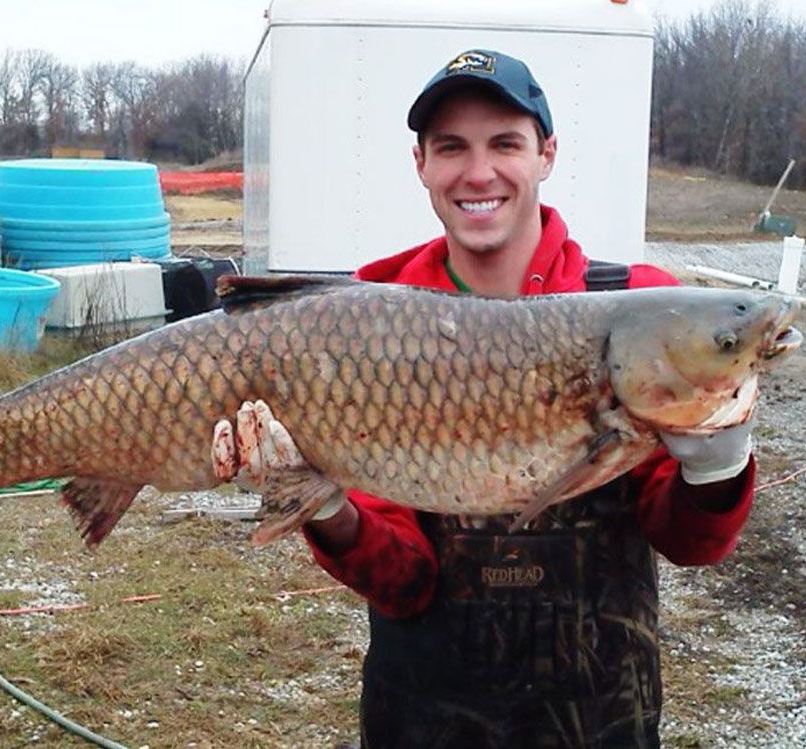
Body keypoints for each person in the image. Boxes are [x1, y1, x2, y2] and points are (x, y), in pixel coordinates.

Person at [217, 49, 757, 748]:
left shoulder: (637, 308)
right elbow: (405, 581)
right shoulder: (363, 328)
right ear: (421, 165)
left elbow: (689, 542)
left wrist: (716, 465)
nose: (478, 172)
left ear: (546, 153)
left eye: (505, 143)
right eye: (451, 148)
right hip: (426, 714)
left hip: (601, 717)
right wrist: (326, 506)